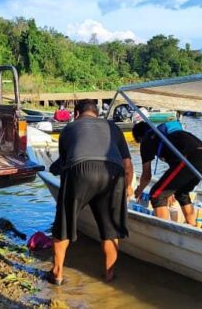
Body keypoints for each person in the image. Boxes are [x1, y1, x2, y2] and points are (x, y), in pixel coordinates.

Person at [48, 99, 134, 285]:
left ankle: (57, 273)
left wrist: (68, 198)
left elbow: (65, 165)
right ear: (97, 113)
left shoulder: (68, 129)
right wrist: (126, 188)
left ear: (77, 114)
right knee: (110, 230)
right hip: (113, 172)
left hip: (80, 169)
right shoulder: (113, 128)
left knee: (63, 225)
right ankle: (109, 276)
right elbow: (127, 165)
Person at [132, 121, 202, 226]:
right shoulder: (163, 137)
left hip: (191, 157)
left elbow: (146, 176)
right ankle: (193, 227)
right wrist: (169, 191)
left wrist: (139, 190)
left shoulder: (147, 139)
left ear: (139, 138)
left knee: (157, 195)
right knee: (181, 193)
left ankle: (164, 232)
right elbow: (174, 170)